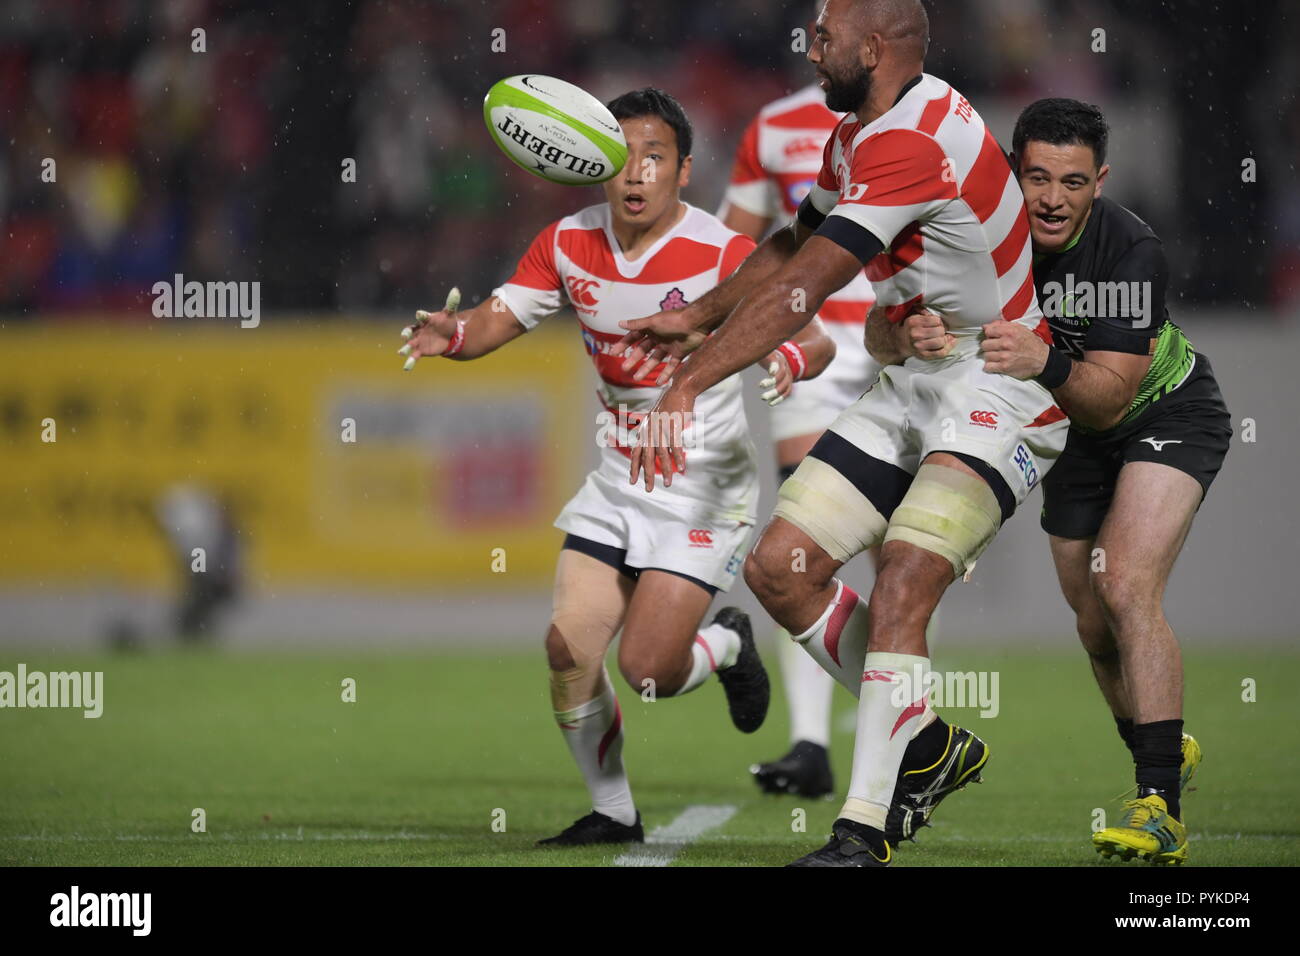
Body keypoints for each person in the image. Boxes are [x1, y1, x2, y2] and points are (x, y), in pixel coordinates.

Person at [618, 0, 1065, 866]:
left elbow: (804, 291)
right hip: (915, 380)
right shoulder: (861, 132)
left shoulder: (911, 140)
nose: (808, 48)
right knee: (777, 569)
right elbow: (794, 242)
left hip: (1001, 388)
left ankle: (862, 830)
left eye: (822, 36)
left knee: (901, 575)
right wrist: (699, 314)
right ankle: (927, 747)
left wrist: (691, 377)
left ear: (873, 46)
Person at [400, 88, 838, 847]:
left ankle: (727, 645)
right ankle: (613, 813)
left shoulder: (724, 253)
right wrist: (454, 332)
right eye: (622, 158)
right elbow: (491, 323)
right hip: (620, 478)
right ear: (595, 164)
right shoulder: (567, 244)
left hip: (705, 487)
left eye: (655, 158)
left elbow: (816, 335)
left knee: (647, 672)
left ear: (685, 170)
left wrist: (791, 358)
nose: (636, 175)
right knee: (567, 648)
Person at [905, 98, 1229, 865]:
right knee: (1091, 623)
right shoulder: (980, 233)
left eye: (1074, 182)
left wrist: (1042, 358)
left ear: (1100, 181)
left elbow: (1111, 395)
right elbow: (897, 324)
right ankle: (1161, 746)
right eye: (1039, 177)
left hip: (1166, 413)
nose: (1053, 198)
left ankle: (1159, 806)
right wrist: (910, 330)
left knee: (1124, 586)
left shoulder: (1132, 251)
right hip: (1072, 438)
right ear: (1014, 173)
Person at [718, 74, 883, 798]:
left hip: (901, 351)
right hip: (808, 354)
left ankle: (897, 736)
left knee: (900, 561)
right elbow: (734, 245)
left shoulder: (922, 116)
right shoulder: (772, 126)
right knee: (801, 548)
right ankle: (812, 745)